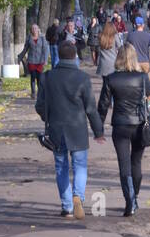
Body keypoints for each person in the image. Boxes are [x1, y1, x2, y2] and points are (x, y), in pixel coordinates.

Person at [35, 41, 105, 221]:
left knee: (61, 167)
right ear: (75, 56)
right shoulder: (82, 78)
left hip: (56, 130)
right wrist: (98, 131)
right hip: (78, 129)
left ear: (58, 55)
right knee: (80, 165)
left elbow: (40, 106)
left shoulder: (47, 77)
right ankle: (78, 196)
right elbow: (90, 108)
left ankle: (66, 207)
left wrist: (48, 118)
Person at [97, 43, 150, 217]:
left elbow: (103, 105)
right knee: (136, 162)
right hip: (139, 125)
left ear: (118, 58)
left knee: (124, 164)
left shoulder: (111, 78)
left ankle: (129, 202)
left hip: (120, 126)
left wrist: (98, 129)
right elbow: (149, 93)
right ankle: (134, 196)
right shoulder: (142, 78)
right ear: (134, 58)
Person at [19, 23, 49, 100]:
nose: (34, 30)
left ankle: (39, 93)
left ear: (38, 29)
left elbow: (45, 50)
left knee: (39, 78)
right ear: (31, 30)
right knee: (33, 77)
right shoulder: (29, 38)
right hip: (32, 61)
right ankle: (33, 93)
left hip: (40, 61)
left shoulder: (42, 38)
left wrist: (45, 60)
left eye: (35, 28)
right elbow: (25, 49)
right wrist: (20, 57)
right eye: (33, 28)